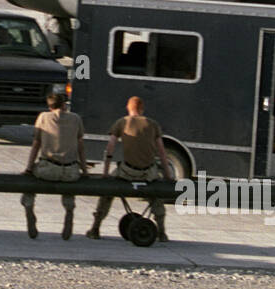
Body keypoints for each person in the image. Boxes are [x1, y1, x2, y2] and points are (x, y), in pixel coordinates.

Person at [88, 95, 171, 241]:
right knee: (156, 197)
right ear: (142, 108)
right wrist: (168, 176)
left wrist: (106, 173)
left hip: (127, 172)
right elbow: (162, 153)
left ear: (128, 107)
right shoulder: (153, 124)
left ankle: (95, 228)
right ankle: (162, 232)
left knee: (106, 194)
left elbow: (110, 149)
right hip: (148, 173)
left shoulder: (122, 122)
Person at [21, 91, 88, 240]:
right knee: (69, 184)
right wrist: (84, 170)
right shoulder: (76, 118)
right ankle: (69, 210)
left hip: (48, 169)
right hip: (70, 170)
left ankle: (29, 206)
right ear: (64, 104)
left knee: (29, 183)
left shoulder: (43, 117)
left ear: (49, 106)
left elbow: (36, 144)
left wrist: (29, 168)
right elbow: (80, 146)